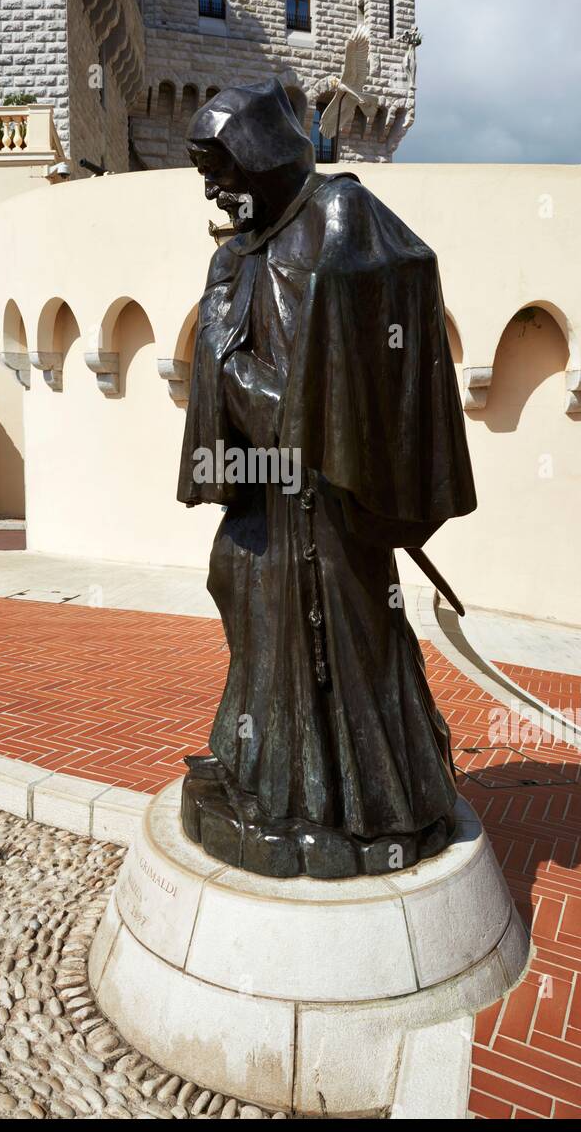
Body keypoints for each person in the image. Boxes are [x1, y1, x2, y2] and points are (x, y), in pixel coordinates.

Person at [178, 79, 477, 879]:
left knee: (346, 642)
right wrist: (228, 352)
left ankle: (368, 810)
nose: (213, 188)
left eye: (221, 167)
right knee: (241, 586)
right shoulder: (233, 255)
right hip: (268, 493)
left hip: (336, 499)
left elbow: (389, 312)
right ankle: (263, 778)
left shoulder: (341, 214)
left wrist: (292, 390)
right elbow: (232, 382)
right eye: (204, 172)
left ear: (263, 154)